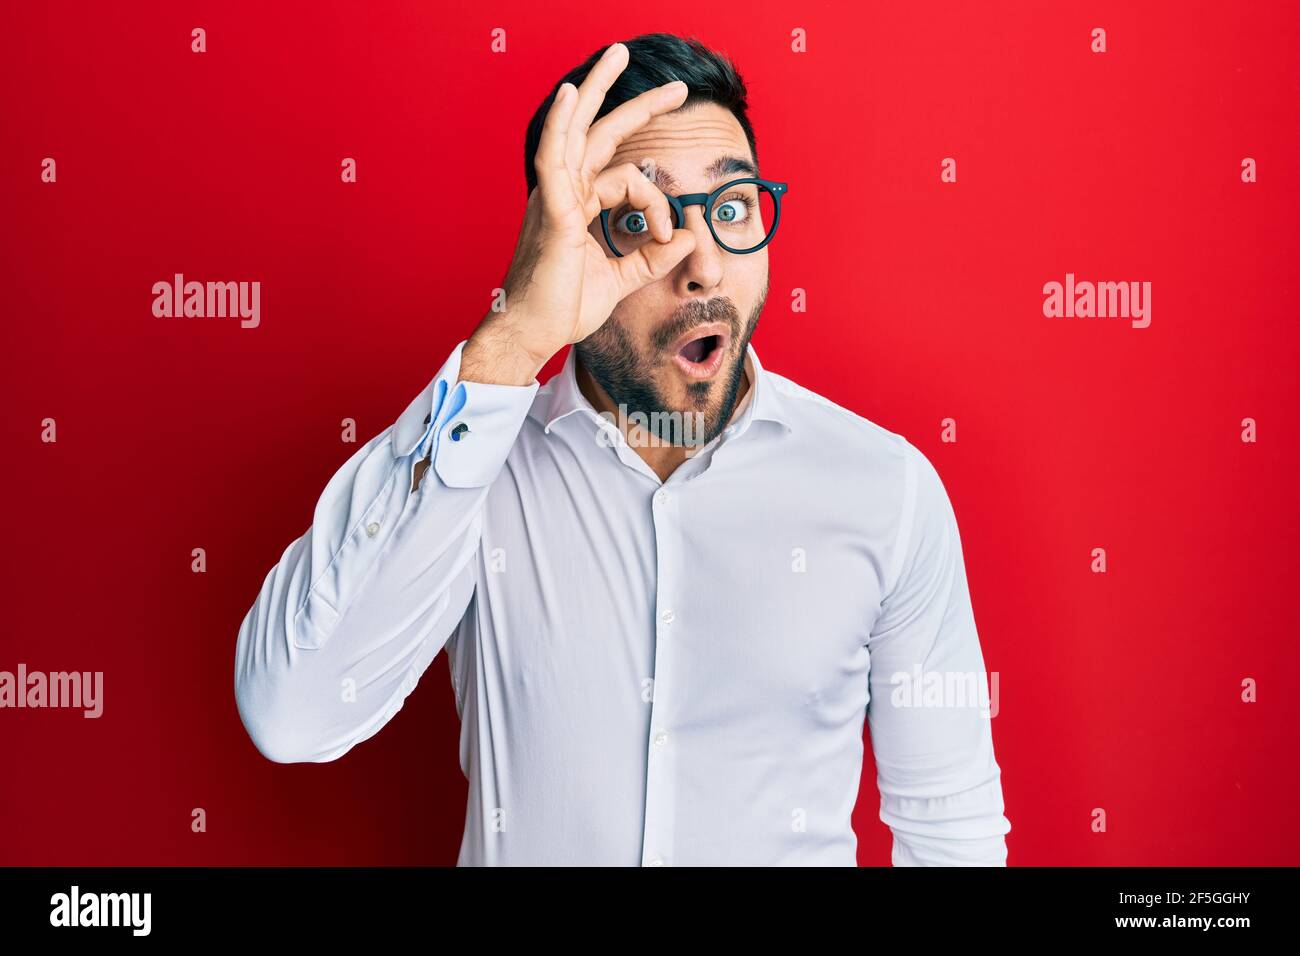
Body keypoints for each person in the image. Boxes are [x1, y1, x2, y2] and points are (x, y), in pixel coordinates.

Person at [234, 33, 1011, 866]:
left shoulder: (884, 491)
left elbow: (950, 831)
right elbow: (292, 713)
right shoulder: (473, 471)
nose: (704, 265)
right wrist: (509, 342)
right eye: (639, 220)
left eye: (733, 206)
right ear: (559, 248)